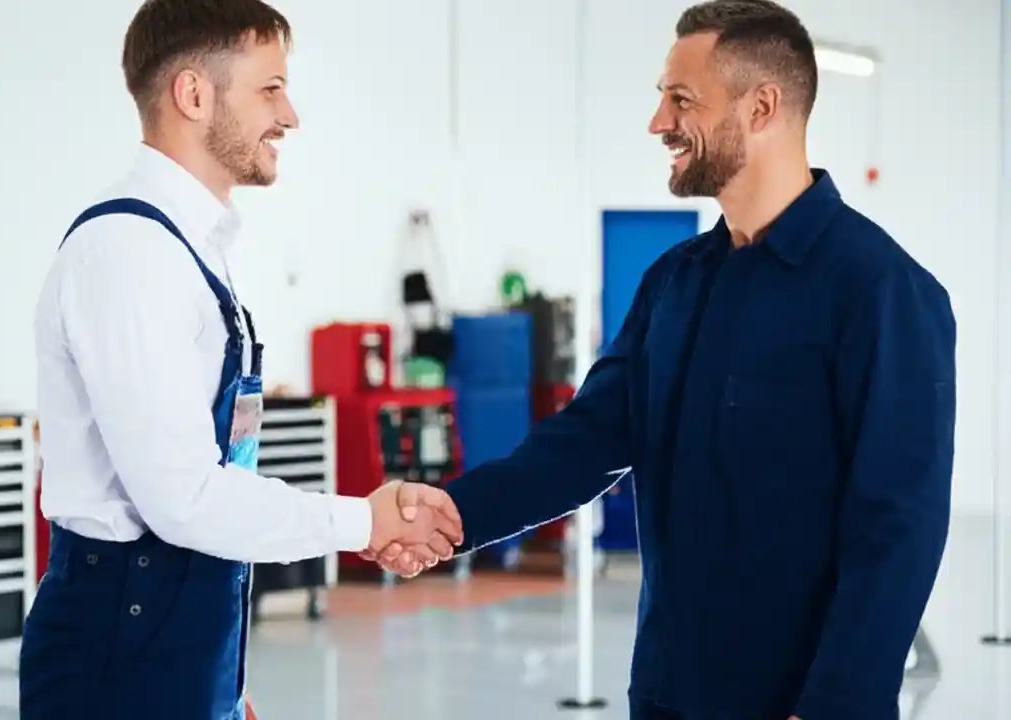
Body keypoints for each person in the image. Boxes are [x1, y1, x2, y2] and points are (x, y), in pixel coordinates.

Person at [371, 1, 957, 718]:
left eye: (682, 100)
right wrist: (455, 513)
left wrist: (834, 706)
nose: (658, 123)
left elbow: (899, 527)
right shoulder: (675, 283)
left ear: (762, 107)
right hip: (667, 692)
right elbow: (585, 444)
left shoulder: (881, 292)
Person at [19, 1, 462, 718]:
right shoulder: (130, 253)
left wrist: (218, 674)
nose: (290, 116)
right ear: (193, 94)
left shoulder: (191, 247)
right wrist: (366, 522)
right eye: (270, 89)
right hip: (119, 645)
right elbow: (184, 499)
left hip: (172, 629)